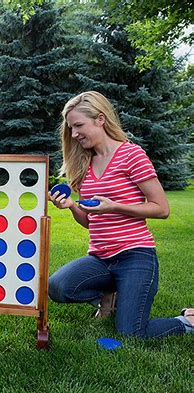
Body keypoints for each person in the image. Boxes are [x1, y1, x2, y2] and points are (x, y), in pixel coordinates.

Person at [48, 91, 193, 338]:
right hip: (100, 258)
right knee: (58, 287)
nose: (74, 134)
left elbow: (161, 208)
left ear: (100, 119)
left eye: (79, 125)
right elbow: (89, 221)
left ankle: (187, 321)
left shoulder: (131, 155)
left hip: (136, 256)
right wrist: (72, 206)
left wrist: (115, 206)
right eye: (71, 128)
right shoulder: (84, 164)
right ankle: (109, 293)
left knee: (131, 333)